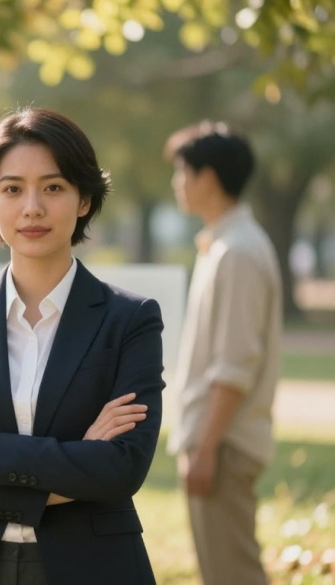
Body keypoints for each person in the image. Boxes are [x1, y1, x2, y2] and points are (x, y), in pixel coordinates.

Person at [0, 108, 164, 585]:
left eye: (53, 187)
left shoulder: (130, 320)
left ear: (84, 199)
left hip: (94, 568)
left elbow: (121, 469)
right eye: (13, 188)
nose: (32, 207)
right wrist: (73, 462)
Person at [165, 122, 280, 585]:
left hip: (224, 443)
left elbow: (235, 363)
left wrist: (207, 447)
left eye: (182, 172)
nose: (178, 183)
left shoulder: (238, 252)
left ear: (208, 178)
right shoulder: (224, 246)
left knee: (234, 575)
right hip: (217, 440)